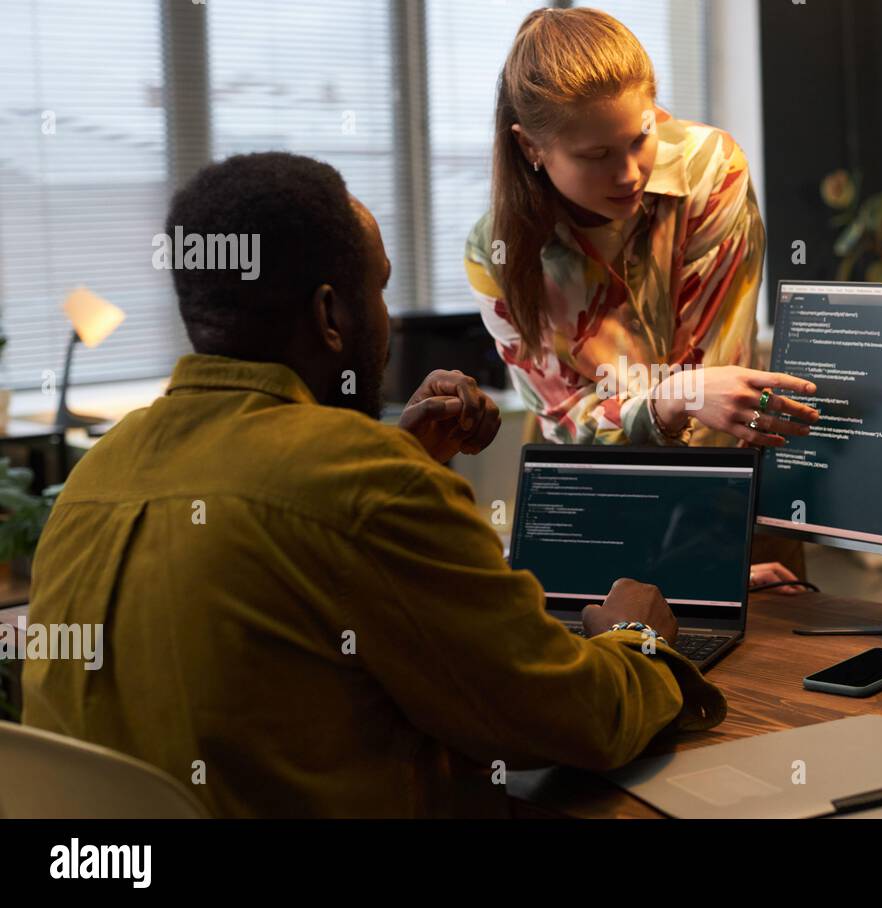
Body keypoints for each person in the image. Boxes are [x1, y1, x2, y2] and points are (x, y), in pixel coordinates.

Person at [21, 151, 724, 817]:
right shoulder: (360, 480)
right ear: (331, 315)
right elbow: (571, 721)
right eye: (380, 287)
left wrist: (397, 460)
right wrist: (637, 640)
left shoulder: (99, 474)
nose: (387, 318)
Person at [464, 6, 816, 589]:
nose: (629, 173)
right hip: (595, 500)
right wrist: (668, 403)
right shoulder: (495, 255)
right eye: (596, 156)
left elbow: (718, 392)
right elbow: (569, 420)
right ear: (531, 147)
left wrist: (710, 560)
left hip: (729, 486)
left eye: (641, 135)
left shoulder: (711, 171)